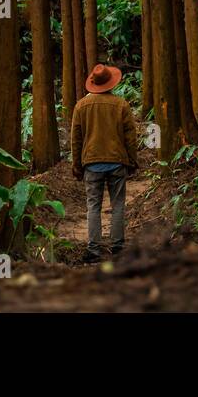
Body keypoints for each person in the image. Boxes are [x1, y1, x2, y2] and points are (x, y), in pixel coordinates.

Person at [71, 63, 140, 263]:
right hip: (117, 162)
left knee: (93, 206)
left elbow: (76, 138)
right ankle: (118, 247)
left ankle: (93, 250)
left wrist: (77, 165)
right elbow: (130, 138)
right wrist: (132, 161)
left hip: (91, 164)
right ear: (111, 83)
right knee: (118, 205)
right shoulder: (121, 105)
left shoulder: (80, 106)